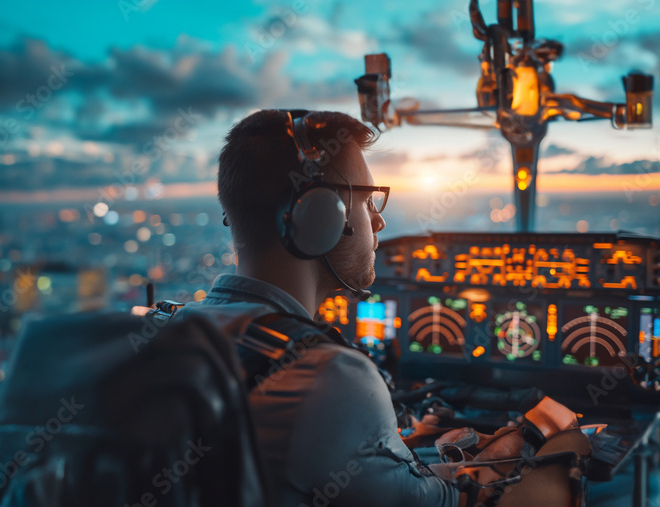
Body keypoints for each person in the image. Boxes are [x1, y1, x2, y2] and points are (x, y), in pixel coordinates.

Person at [176, 109, 460, 507]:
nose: (377, 222)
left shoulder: (171, 329)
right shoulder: (329, 375)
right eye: (366, 200)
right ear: (320, 216)